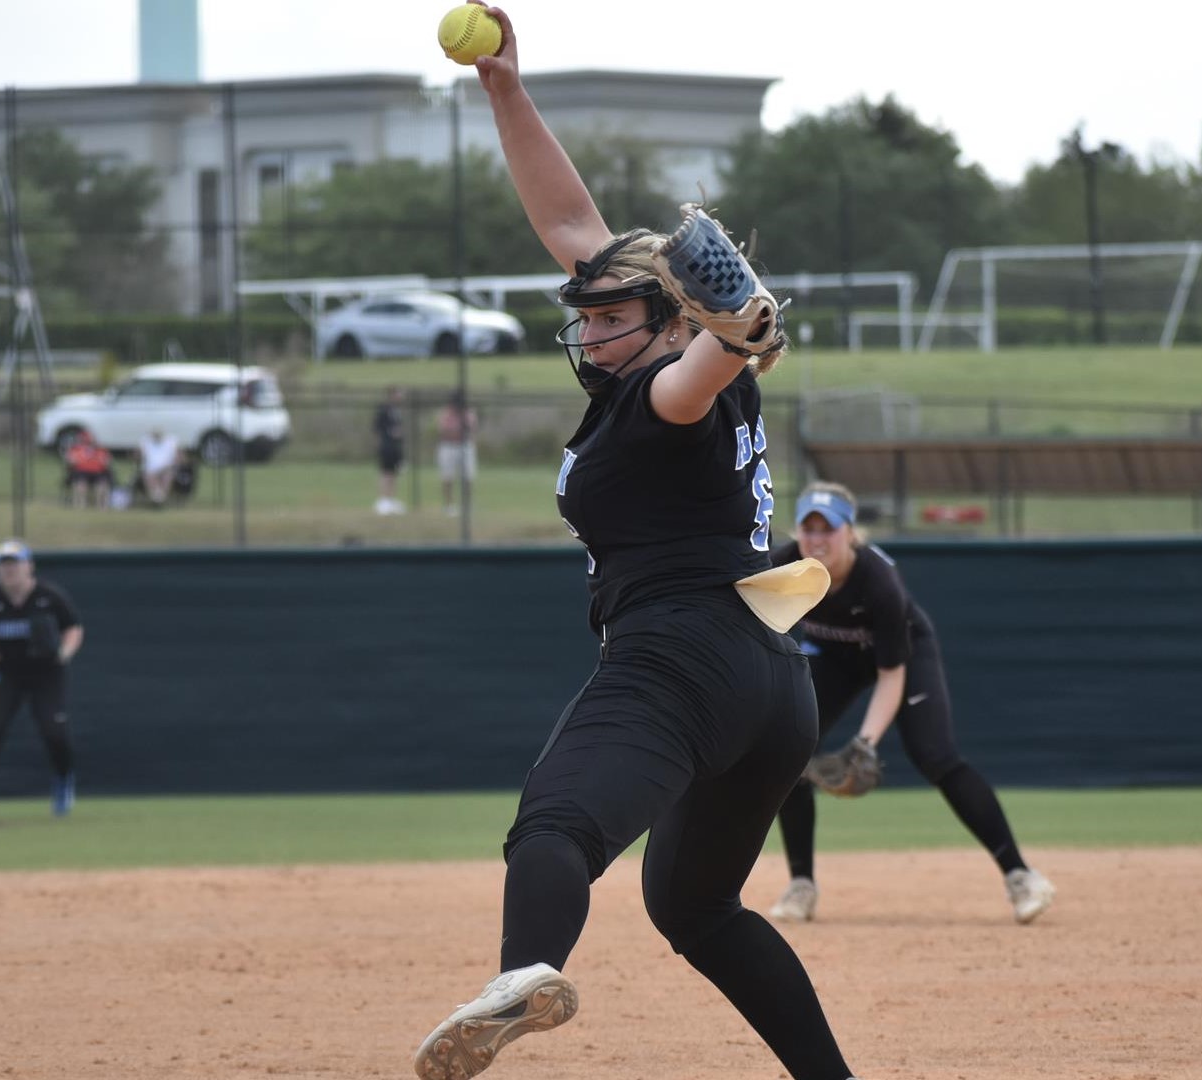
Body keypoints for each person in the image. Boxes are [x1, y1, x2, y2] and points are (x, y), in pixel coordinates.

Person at [412, 10, 858, 1080]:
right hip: (768, 679)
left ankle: (526, 972)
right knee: (697, 905)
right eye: (587, 313)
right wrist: (508, 93)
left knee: (556, 822)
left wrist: (733, 329)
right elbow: (576, 228)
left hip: (681, 654)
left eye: (609, 316)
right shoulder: (646, 350)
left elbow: (697, 369)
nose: (588, 329)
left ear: (668, 320)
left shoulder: (671, 384)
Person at [767, 482, 1056, 925]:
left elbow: (890, 674)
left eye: (829, 528)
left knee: (935, 756)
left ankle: (1021, 876)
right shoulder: (786, 565)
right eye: (809, 528)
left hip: (902, 656)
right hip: (836, 660)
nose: (817, 538)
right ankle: (801, 886)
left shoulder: (878, 582)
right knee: (788, 751)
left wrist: (865, 743)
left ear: (851, 533)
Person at [0, 539, 83, 826]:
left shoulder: (49, 596)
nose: (9, 570)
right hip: (7, 673)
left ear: (29, 565)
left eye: (14, 563)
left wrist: (65, 652)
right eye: (4, 565)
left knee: (55, 732)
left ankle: (63, 781)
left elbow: (73, 627)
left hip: (46, 673)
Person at [436, 390, 477, 516]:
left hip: (465, 447)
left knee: (468, 477)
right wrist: (457, 432)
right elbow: (445, 431)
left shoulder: (468, 414)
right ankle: (449, 506)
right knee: (447, 477)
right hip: (448, 447)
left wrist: (460, 431)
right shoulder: (446, 414)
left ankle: (466, 506)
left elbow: (471, 430)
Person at [374, 385, 407, 515]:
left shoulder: (396, 411)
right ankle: (383, 500)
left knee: (393, 474)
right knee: (385, 473)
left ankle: (391, 500)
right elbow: (377, 429)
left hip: (395, 447)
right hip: (386, 446)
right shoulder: (383, 409)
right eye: (399, 394)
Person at [63, 430, 113, 510]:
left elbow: (107, 462)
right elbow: (69, 460)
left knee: (102, 486)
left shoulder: (101, 450)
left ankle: (102, 507)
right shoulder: (76, 449)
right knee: (80, 485)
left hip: (98, 473)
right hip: (81, 472)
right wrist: (71, 460)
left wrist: (104, 461)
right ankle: (80, 505)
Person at [138, 427, 181, 508]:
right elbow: (140, 456)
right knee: (150, 477)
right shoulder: (146, 442)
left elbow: (177, 457)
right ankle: (157, 497)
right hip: (150, 469)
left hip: (167, 468)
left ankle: (159, 497)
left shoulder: (171, 442)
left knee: (167, 476)